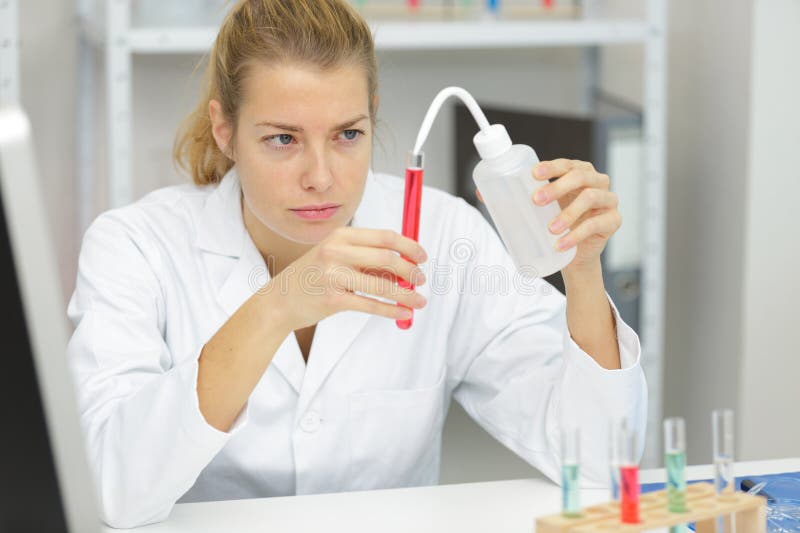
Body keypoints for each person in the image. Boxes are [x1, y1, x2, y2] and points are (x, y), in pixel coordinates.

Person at [66, 0, 647, 528]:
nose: (320, 175)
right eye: (281, 140)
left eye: (347, 134)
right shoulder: (136, 247)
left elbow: (602, 458)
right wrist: (276, 306)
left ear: (372, 115)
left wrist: (582, 273)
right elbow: (112, 490)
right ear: (225, 130)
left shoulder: (442, 236)